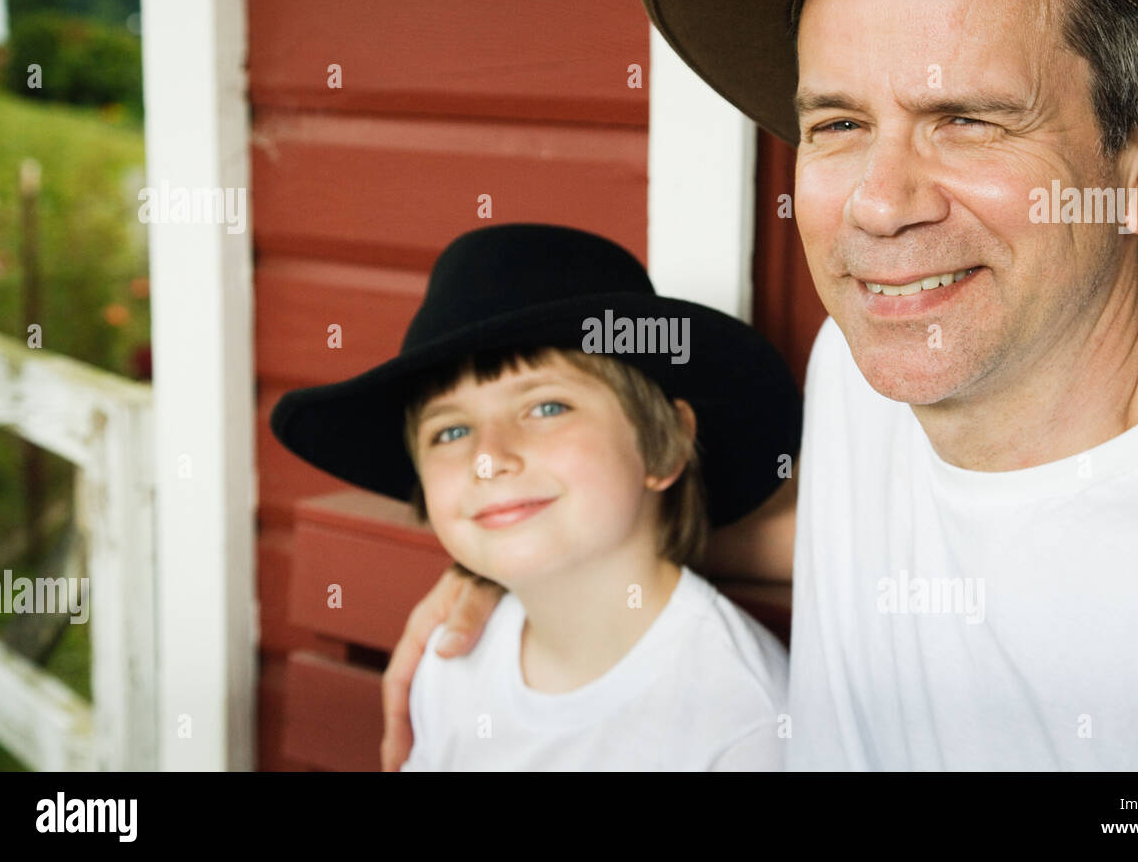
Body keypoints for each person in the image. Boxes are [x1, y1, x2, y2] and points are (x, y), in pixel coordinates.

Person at [381, 0, 1138, 771]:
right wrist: (526, 571)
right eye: (840, 125)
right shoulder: (868, 370)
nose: (882, 205)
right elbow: (903, 538)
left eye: (967, 120)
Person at [271, 222, 799, 770]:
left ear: (664, 445)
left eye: (546, 408)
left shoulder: (742, 717)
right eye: (450, 432)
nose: (489, 457)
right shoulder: (454, 658)